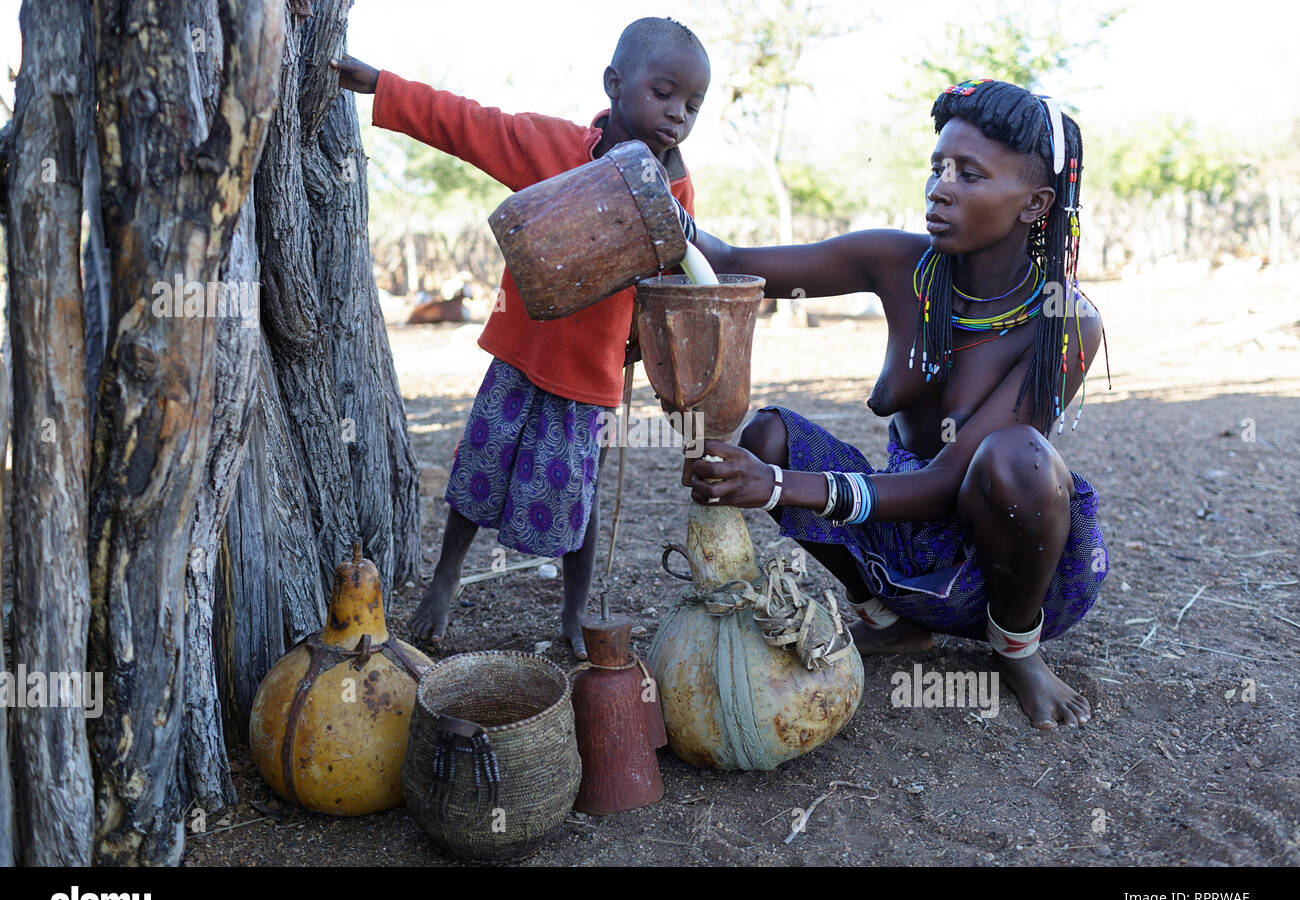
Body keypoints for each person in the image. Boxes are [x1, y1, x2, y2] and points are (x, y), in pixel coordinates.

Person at [689, 79, 1108, 729]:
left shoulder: (1064, 321)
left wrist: (777, 486)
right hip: (898, 536)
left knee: (1019, 457)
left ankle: (1015, 648)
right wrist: (650, 184)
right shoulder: (896, 264)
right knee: (767, 435)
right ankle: (887, 622)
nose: (940, 187)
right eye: (938, 168)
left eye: (969, 174)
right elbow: (731, 261)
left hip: (1001, 554)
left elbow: (949, 482)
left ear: (1035, 203)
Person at [331, 18, 711, 659]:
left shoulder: (677, 194)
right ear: (615, 84)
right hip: (520, 356)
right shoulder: (555, 149)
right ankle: (446, 579)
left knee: (578, 501)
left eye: (692, 106)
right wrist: (383, 86)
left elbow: (674, 282)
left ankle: (573, 613)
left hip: (591, 377)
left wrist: (649, 347)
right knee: (479, 472)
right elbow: (471, 124)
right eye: (664, 92)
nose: (676, 114)